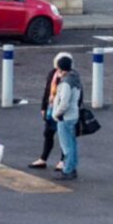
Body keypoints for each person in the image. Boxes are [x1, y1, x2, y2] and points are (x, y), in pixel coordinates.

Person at [48, 52, 82, 180]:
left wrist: (56, 114)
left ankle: (68, 170)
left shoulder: (66, 83)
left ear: (60, 68)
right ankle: (72, 168)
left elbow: (64, 103)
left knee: (67, 146)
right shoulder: (75, 78)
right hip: (73, 115)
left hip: (65, 117)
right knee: (72, 144)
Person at [30, 55, 67, 169]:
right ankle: (43, 158)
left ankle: (63, 161)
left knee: (64, 136)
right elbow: (47, 90)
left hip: (62, 111)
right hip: (51, 108)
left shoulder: (70, 77)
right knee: (48, 133)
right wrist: (43, 107)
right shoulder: (53, 74)